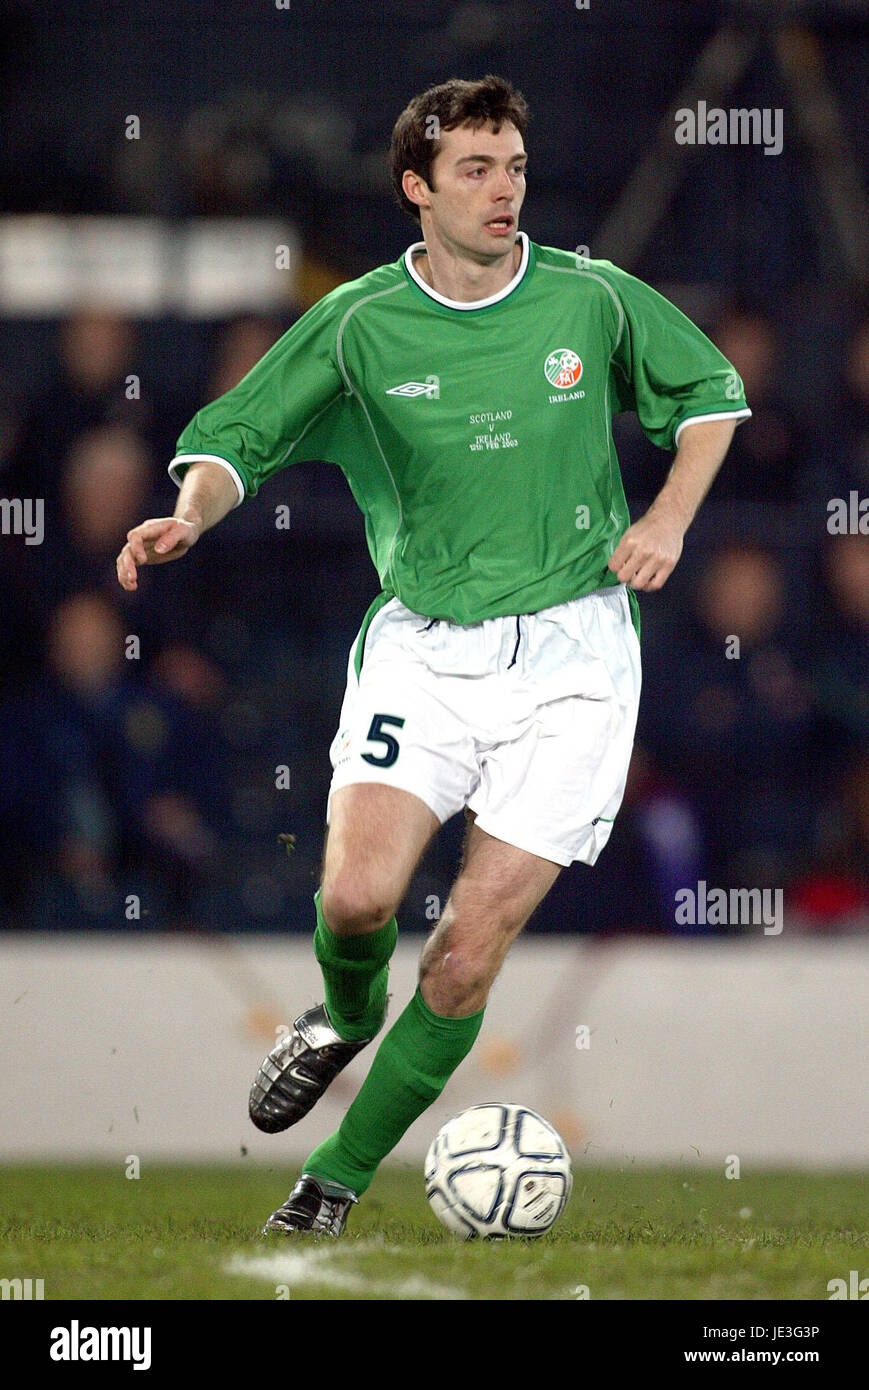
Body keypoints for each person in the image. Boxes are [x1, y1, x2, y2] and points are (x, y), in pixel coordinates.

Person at [116, 75, 750, 1237]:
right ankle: (343, 1016)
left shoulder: (590, 297)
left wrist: (663, 519)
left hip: (572, 659)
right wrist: (192, 515)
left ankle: (330, 1185)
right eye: (474, 169)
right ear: (416, 186)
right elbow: (237, 435)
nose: (502, 189)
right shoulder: (360, 320)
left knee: (461, 958)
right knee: (356, 899)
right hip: (423, 646)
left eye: (511, 165)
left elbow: (709, 395)